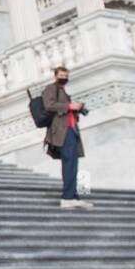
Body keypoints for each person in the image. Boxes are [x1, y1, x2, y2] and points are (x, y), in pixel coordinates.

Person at [43, 65, 92, 209]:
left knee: (73, 163)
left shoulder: (63, 91)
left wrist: (77, 108)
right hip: (62, 131)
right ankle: (67, 197)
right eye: (61, 76)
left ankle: (73, 196)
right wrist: (70, 106)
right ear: (55, 76)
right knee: (69, 163)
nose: (64, 79)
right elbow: (49, 105)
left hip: (71, 129)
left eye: (66, 76)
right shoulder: (51, 88)